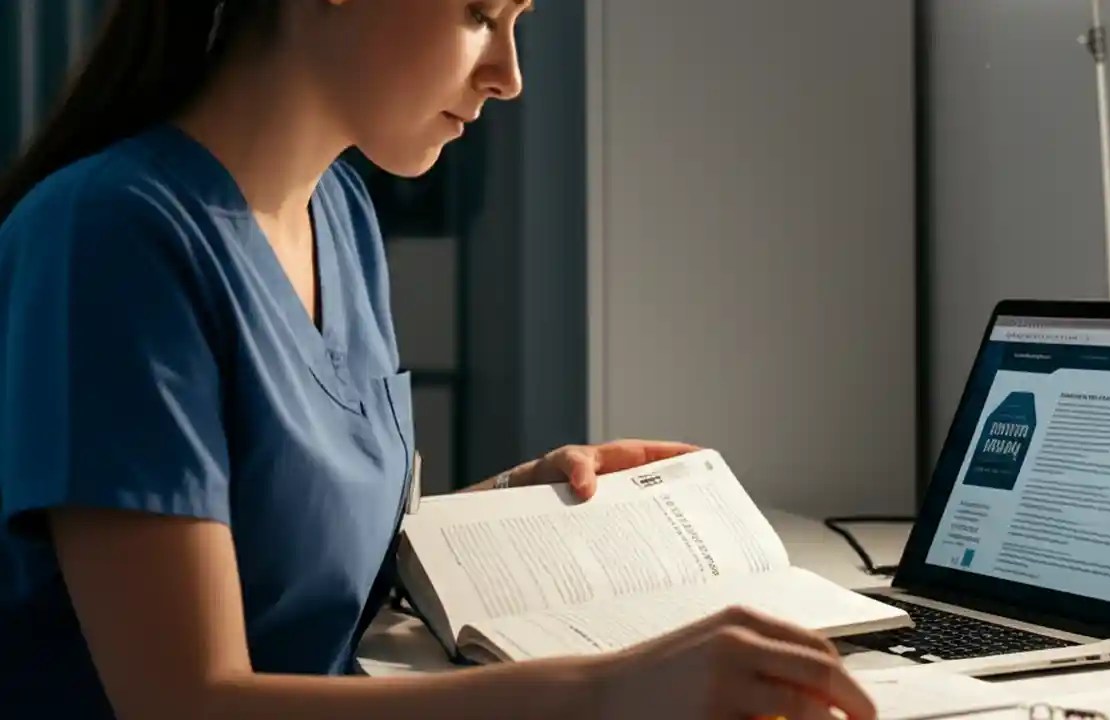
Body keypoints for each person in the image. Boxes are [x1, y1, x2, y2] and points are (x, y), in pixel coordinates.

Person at [0, 2, 877, 719]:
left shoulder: (337, 210)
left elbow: (284, 560)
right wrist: (608, 693)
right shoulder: (111, 237)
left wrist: (517, 508)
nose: (509, 74)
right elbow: (187, 703)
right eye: (478, 15)